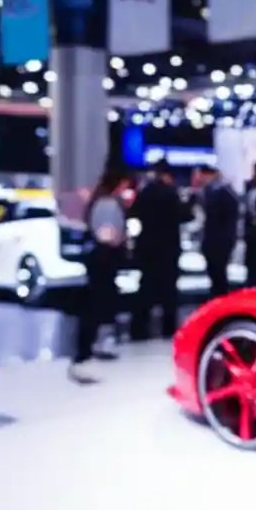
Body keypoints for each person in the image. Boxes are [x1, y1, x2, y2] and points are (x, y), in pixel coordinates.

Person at [71, 166, 132, 384]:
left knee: (97, 302)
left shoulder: (98, 202)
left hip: (98, 258)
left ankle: (90, 348)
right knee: (101, 303)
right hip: (105, 258)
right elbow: (110, 235)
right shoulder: (108, 204)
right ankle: (87, 352)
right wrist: (121, 241)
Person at [128, 160, 192, 340]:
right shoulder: (172, 194)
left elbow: (133, 213)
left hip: (147, 247)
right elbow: (185, 215)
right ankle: (168, 329)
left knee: (145, 289)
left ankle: (139, 329)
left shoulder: (145, 192)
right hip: (168, 249)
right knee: (169, 291)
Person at [196, 165, 239, 298]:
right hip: (211, 241)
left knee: (219, 275)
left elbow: (230, 218)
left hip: (220, 242)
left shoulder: (223, 191)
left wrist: (228, 240)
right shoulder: (209, 191)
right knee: (215, 275)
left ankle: (221, 302)